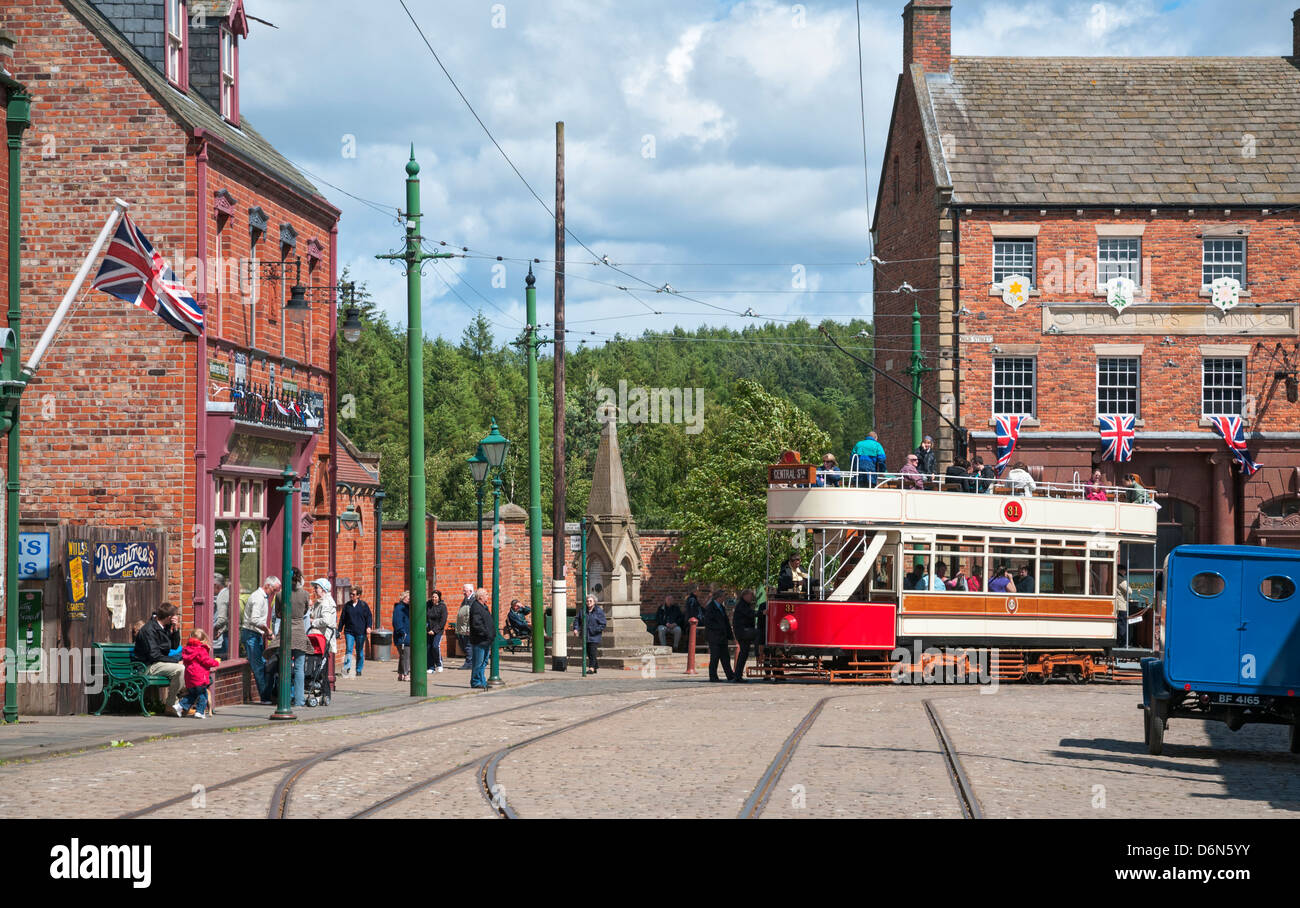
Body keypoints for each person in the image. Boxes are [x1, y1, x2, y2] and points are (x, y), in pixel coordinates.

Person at [132, 602, 185, 711]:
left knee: (190, 668)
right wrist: (175, 662)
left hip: (158, 663)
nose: (175, 618)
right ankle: (171, 705)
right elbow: (154, 655)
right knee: (181, 669)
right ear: (169, 617)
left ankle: (180, 703)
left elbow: (174, 647)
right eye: (174, 616)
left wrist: (175, 628)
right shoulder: (149, 630)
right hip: (146, 666)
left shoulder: (164, 627)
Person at [241, 576, 279, 704]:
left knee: (263, 665)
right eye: (273, 590)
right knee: (259, 666)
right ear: (267, 585)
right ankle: (265, 697)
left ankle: (267, 695)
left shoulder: (263, 597)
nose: (273, 593)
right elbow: (254, 619)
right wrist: (267, 630)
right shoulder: (258, 598)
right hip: (251, 634)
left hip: (256, 634)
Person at [176, 628, 220, 718]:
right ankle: (199, 712)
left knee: (192, 695)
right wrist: (216, 662)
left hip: (189, 678)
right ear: (203, 640)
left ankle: (180, 705)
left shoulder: (187, 649)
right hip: (199, 678)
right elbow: (206, 661)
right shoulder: (201, 650)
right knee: (203, 695)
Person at [340, 586, 373, 678]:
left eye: (353, 594)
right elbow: (342, 619)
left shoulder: (363, 605)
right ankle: (347, 668)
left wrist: (369, 627)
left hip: (360, 632)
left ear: (358, 595)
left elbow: (369, 617)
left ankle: (358, 669)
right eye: (350, 594)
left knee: (359, 651)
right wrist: (339, 630)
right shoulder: (347, 606)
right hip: (349, 631)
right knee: (349, 650)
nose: (351, 596)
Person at [702, 588, 734, 681]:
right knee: (715, 657)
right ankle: (713, 676)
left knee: (725, 657)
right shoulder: (710, 607)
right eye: (723, 596)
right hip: (714, 636)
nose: (724, 598)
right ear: (719, 597)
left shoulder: (721, 607)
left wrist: (730, 635)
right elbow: (708, 622)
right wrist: (718, 628)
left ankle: (730, 675)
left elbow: (726, 622)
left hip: (722, 636)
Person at [468, 586, 493, 689]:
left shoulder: (484, 606)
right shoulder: (476, 607)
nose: (488, 596)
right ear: (480, 597)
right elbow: (477, 624)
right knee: (478, 662)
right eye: (486, 594)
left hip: (486, 640)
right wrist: (486, 633)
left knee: (484, 662)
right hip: (480, 640)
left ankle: (482, 681)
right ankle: (475, 682)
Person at [574, 594, 607, 674]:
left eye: (590, 601)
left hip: (594, 636)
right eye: (587, 601)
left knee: (592, 651)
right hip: (585, 635)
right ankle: (595, 666)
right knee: (588, 652)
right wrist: (576, 628)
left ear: (594, 602)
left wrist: (594, 630)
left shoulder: (599, 611)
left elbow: (603, 624)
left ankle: (591, 668)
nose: (588, 602)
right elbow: (577, 620)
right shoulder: (583, 610)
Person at [732, 589, 758, 683]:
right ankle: (758, 651)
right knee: (758, 633)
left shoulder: (745, 604)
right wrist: (761, 613)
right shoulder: (742, 605)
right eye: (750, 596)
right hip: (743, 632)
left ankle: (738, 675)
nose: (751, 598)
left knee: (744, 653)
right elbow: (750, 614)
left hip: (743, 631)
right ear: (745, 596)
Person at [392, 590, 412, 681]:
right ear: (404, 598)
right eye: (408, 598)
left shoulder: (407, 608)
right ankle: (406, 673)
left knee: (403, 655)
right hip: (403, 636)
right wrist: (402, 632)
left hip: (406, 635)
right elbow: (397, 622)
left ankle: (400, 674)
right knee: (406, 655)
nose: (410, 600)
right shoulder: (399, 608)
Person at [427, 590, 447, 673]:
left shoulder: (442, 607)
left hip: (438, 631)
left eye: (435, 597)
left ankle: (439, 664)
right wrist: (428, 629)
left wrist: (434, 631)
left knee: (435, 646)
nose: (434, 598)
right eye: (433, 597)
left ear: (439, 598)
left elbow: (443, 621)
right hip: (428, 630)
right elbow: (425, 617)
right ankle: (431, 667)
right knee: (428, 648)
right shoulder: (428, 605)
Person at [456, 584, 474, 669]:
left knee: (468, 645)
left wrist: (469, 628)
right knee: (465, 645)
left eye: (465, 591)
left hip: (468, 628)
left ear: (470, 591)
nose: (463, 593)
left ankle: (469, 663)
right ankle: (469, 662)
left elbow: (471, 616)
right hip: (464, 627)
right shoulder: (466, 600)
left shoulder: (472, 600)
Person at [212, 573, 230, 658]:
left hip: (225, 636)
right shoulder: (227, 593)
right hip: (225, 633)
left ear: (216, 585)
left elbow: (222, 619)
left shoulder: (222, 596)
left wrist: (215, 629)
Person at [1115, 566, 1131, 647]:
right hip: (1121, 606)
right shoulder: (1120, 579)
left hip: (1117, 605)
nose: (1125, 572)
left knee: (1119, 624)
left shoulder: (1114, 577)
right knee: (1122, 624)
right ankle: (1122, 643)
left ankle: (1119, 642)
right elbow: (1129, 591)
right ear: (1121, 570)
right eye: (1124, 571)